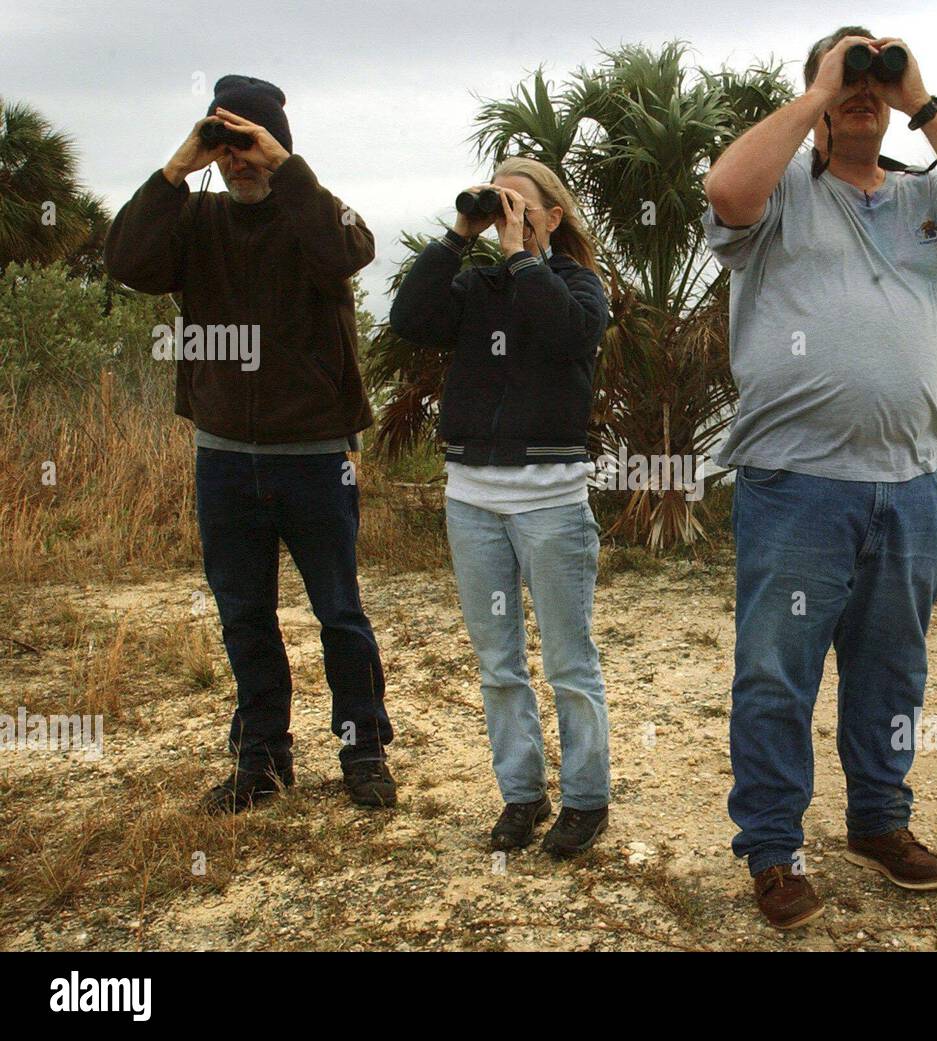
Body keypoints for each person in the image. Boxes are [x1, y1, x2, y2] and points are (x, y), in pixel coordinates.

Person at [701, 26, 937, 929]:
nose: (861, 91)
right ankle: (772, 847)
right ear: (809, 92)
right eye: (846, 77)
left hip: (913, 484)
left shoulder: (930, 199)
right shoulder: (780, 197)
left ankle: (880, 822)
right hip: (797, 482)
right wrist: (821, 93)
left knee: (892, 673)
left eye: (871, 79)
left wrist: (918, 98)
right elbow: (726, 187)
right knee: (776, 674)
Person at [104, 75, 394, 814]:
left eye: (250, 144)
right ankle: (262, 759)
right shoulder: (196, 221)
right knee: (243, 614)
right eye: (224, 145)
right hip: (225, 453)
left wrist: (284, 165)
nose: (237, 160)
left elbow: (347, 250)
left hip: (315, 455)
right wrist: (177, 167)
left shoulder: (315, 215)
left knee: (338, 611)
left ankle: (363, 749)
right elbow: (127, 261)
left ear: (277, 148)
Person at [389, 157, 612, 858]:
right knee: (498, 663)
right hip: (473, 501)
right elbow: (410, 316)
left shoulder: (579, 287)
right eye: (498, 202)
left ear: (553, 216)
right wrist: (460, 232)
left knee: (570, 662)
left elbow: (567, 335)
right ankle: (521, 793)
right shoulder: (474, 288)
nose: (506, 216)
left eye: (520, 204)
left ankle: (585, 798)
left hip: (550, 501)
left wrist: (521, 257)